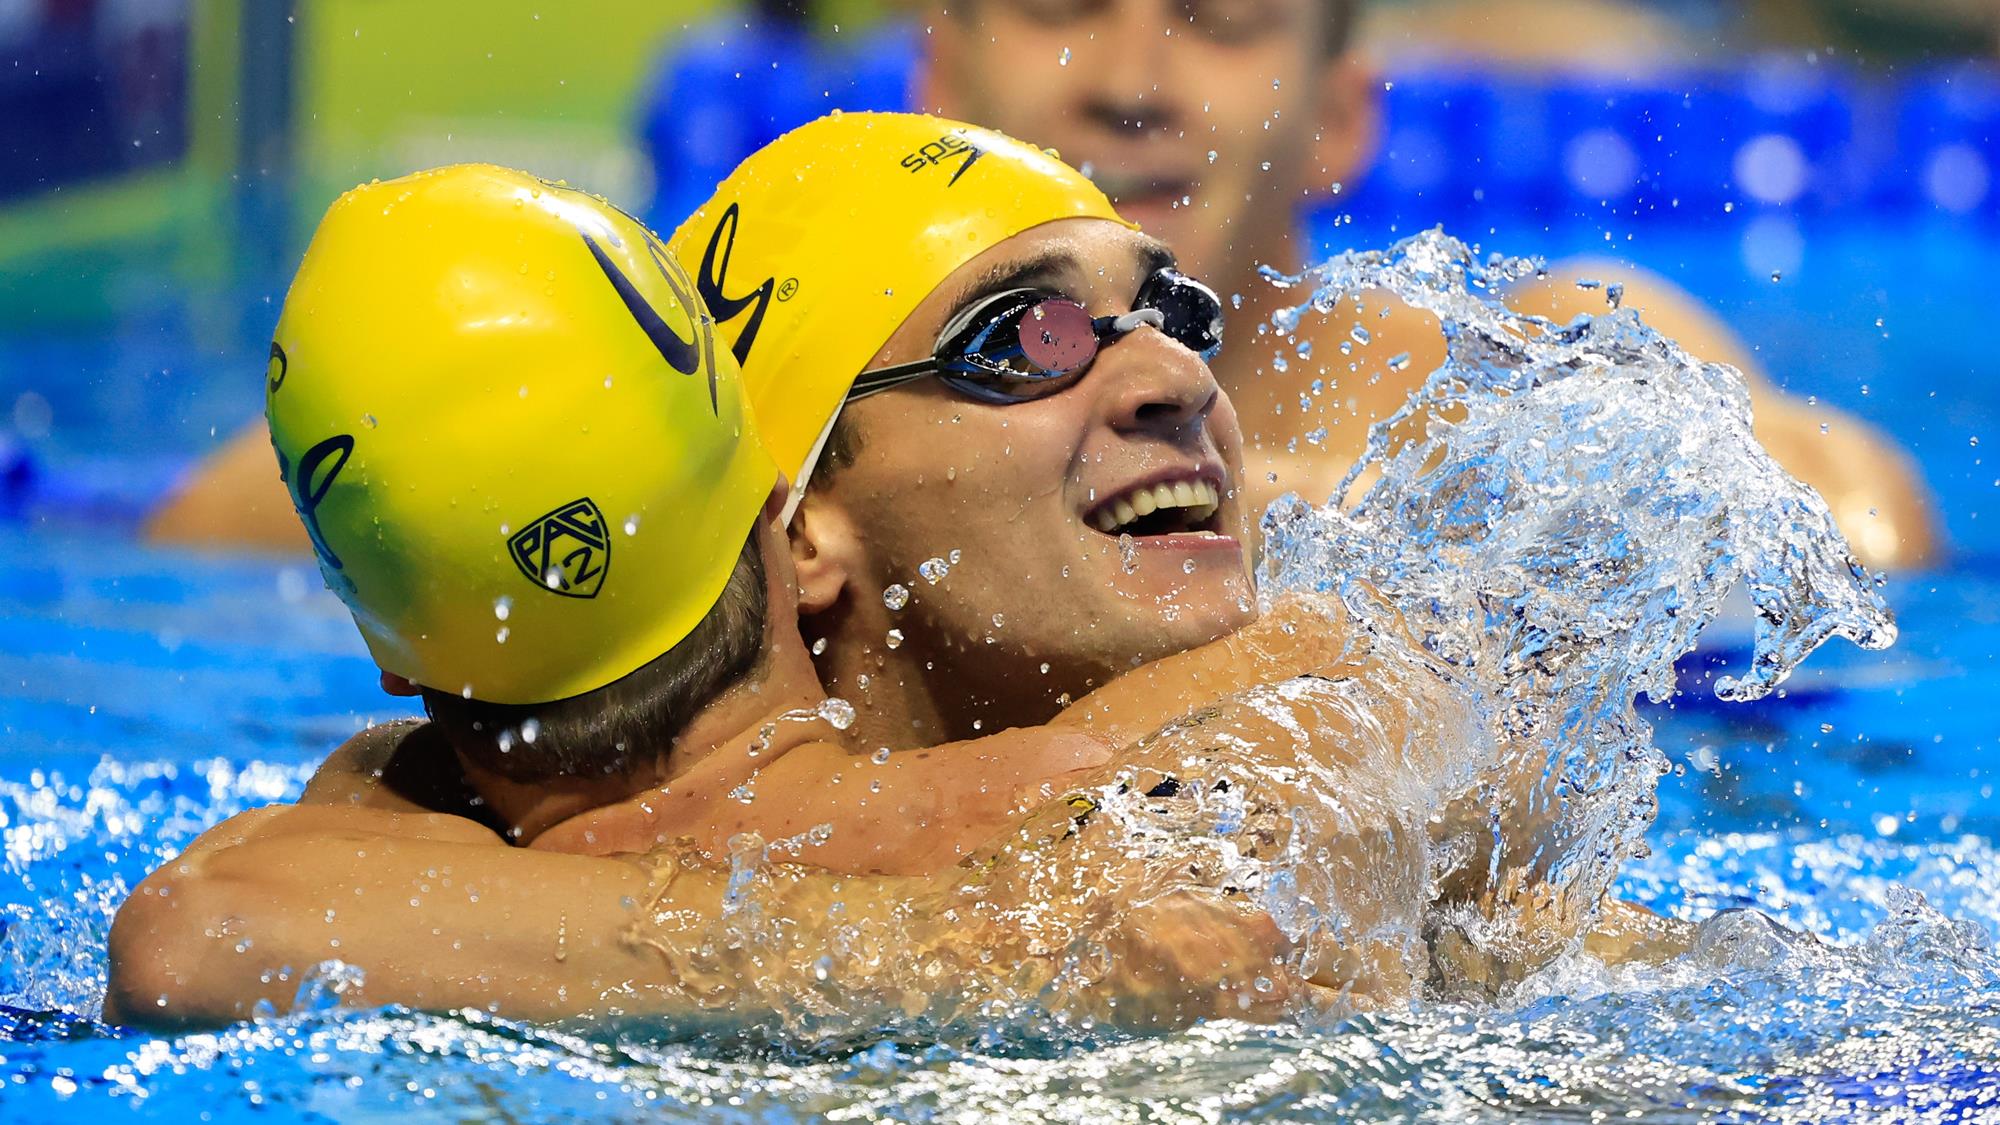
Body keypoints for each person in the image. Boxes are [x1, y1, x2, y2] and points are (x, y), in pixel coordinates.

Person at [110, 116, 1648, 1031]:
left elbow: (1331, 831)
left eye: (1164, 308)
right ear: (800, 529)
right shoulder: (431, 822)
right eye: (1021, 339)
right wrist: (955, 938)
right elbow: (215, 920)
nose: (1174, 371)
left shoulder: (1313, 677)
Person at [912, 0, 1937, 569]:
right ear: (941, 86)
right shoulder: (865, 411)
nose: (1128, 85)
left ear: (1337, 121)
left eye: (1219, 17)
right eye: (1058, 3)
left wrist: (1244, 511)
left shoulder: (1510, 361)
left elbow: (1861, 528)